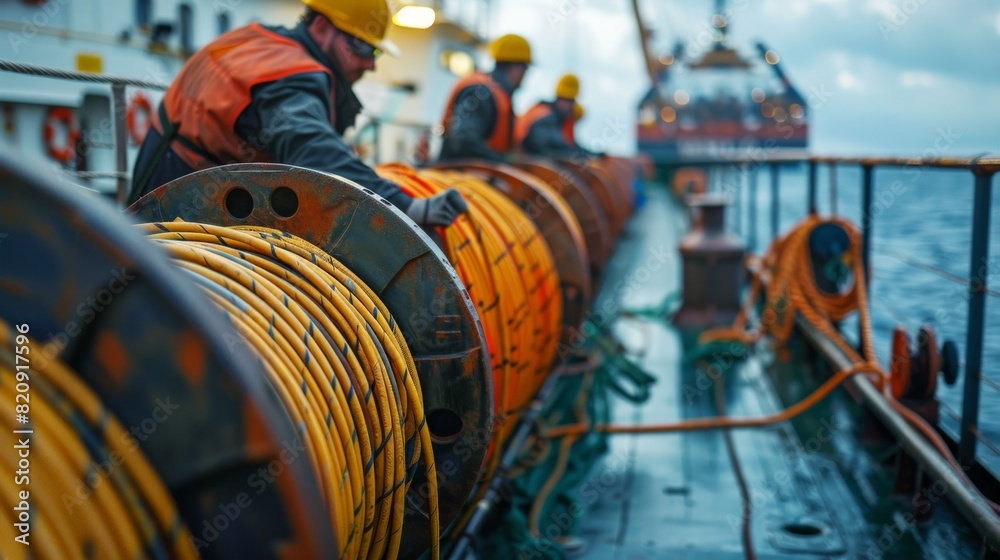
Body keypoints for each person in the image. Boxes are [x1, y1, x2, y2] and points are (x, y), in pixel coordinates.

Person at [128, 0, 466, 227]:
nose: (371, 63)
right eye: (363, 48)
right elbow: (314, 152)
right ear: (321, 28)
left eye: (376, 51)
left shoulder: (264, 42)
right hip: (182, 210)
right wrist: (407, 206)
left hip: (159, 185)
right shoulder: (292, 74)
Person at [438, 34, 532, 161]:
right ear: (517, 68)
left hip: (478, 173)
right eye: (526, 69)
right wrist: (504, 160)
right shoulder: (481, 93)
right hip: (459, 174)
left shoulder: (494, 93)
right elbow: (462, 142)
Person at [515, 74, 596, 158]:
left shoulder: (555, 119)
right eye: (567, 101)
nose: (569, 106)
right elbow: (546, 149)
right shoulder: (546, 117)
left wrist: (593, 154)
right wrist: (577, 155)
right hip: (522, 161)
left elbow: (569, 146)